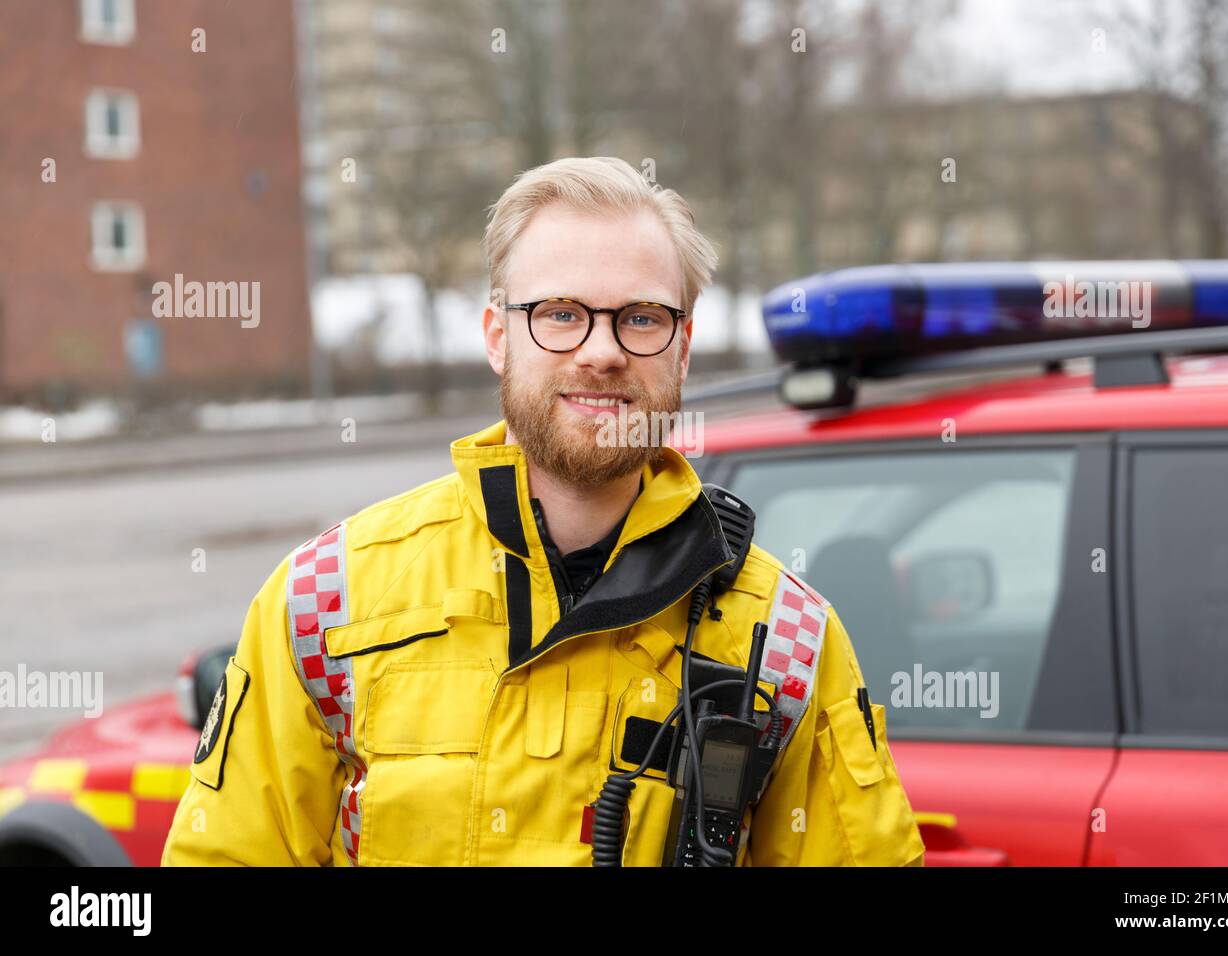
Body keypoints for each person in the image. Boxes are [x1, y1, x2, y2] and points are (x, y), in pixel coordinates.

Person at [161, 156, 925, 866]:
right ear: (499, 337)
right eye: (560, 313)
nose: (602, 351)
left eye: (642, 317)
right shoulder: (323, 599)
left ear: (683, 347)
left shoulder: (788, 645)